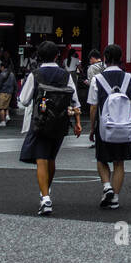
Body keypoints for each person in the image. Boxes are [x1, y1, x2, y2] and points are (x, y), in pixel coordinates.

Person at [17, 40, 81, 216]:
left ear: (39, 56)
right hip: (60, 122)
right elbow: (75, 100)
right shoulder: (65, 75)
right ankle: (46, 190)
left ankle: (45, 198)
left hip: (41, 121)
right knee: (51, 157)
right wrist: (77, 122)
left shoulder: (35, 75)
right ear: (56, 56)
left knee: (41, 158)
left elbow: (23, 100)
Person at [88, 43, 131, 210]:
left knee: (102, 159)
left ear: (105, 59)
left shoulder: (97, 79)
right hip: (124, 126)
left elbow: (93, 106)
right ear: (120, 59)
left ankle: (106, 186)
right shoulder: (129, 78)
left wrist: (91, 128)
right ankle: (115, 198)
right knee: (119, 162)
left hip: (105, 126)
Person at [84, 49, 104, 147]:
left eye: (90, 59)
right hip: (106, 95)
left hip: (96, 95)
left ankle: (97, 141)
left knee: (96, 118)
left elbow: (92, 83)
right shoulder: (105, 65)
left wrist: (87, 82)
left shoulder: (91, 68)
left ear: (92, 58)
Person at [0, 58, 18, 126]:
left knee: (1, 107)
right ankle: (7, 116)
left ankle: (3, 121)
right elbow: (15, 84)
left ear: (3, 67)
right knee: (6, 106)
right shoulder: (11, 74)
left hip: (3, 92)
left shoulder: (2, 74)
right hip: (10, 93)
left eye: (0, 67)